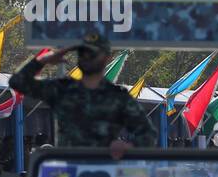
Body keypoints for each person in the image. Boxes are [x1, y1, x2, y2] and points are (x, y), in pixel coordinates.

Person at [9, 32, 156, 155]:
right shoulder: (63, 90)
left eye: (93, 53)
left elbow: (148, 135)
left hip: (104, 175)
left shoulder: (118, 98)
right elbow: (17, 82)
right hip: (70, 174)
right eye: (83, 52)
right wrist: (42, 60)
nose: (87, 57)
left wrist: (126, 147)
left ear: (106, 58)